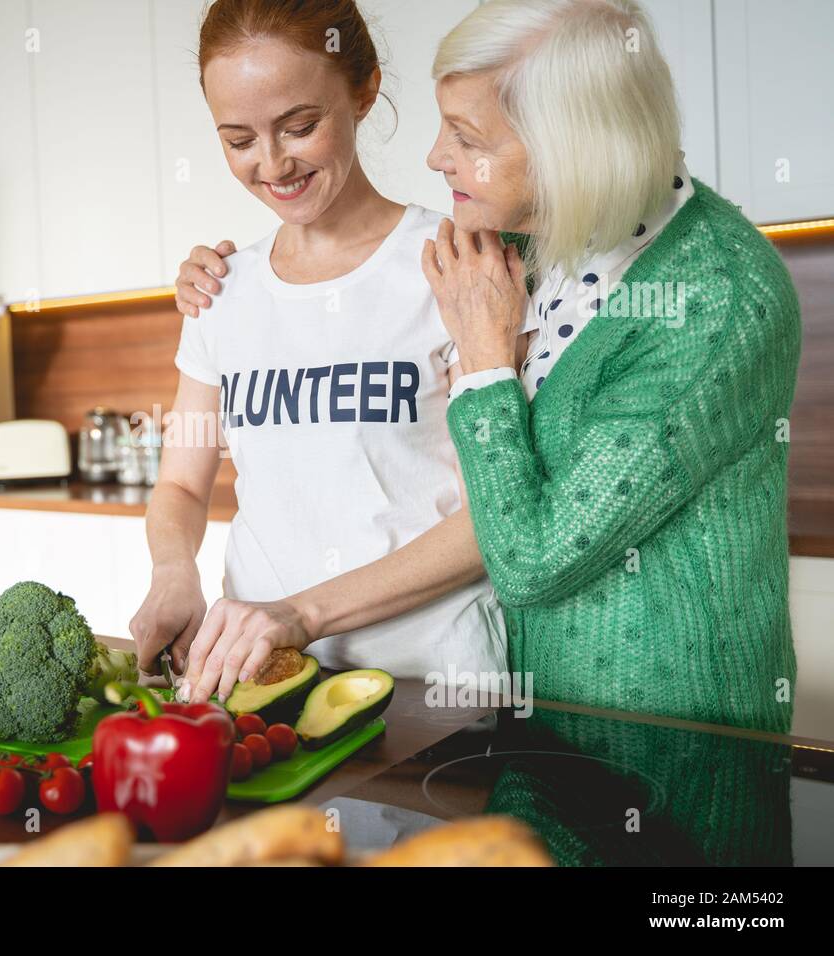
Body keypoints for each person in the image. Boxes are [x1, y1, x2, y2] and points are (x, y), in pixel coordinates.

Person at [175, 0, 800, 732]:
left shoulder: (710, 297)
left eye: (468, 137)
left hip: (675, 748)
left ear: (571, 148)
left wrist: (481, 362)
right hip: (541, 732)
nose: (435, 157)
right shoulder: (518, 242)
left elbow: (529, 556)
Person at [131, 0, 532, 706]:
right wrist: (173, 573)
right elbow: (183, 486)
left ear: (364, 90)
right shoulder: (220, 291)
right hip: (257, 685)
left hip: (430, 690)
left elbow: (493, 519)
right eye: (238, 139)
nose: (273, 163)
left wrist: (300, 614)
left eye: (300, 126)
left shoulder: (455, 264)